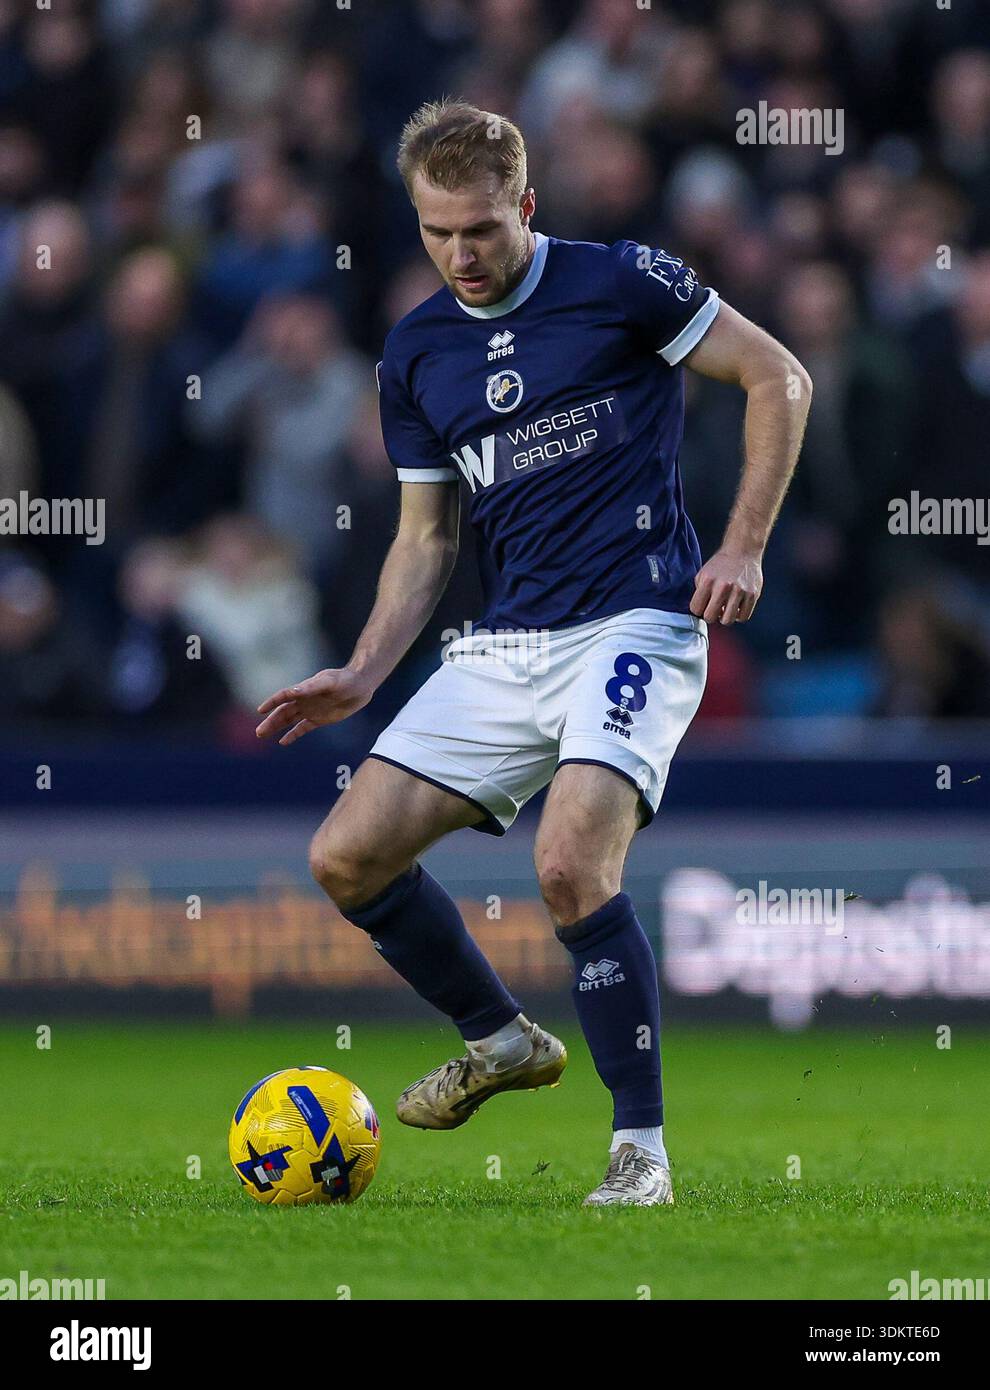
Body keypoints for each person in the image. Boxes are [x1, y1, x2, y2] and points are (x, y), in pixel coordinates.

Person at [256, 100, 812, 1207]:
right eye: (436, 232)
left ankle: (640, 1153)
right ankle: (500, 1036)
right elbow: (425, 541)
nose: (460, 255)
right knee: (346, 856)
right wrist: (364, 671)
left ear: (526, 205)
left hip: (639, 619)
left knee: (568, 863)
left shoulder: (621, 282)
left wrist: (743, 545)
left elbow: (779, 377)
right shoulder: (415, 353)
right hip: (507, 642)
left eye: (481, 230)